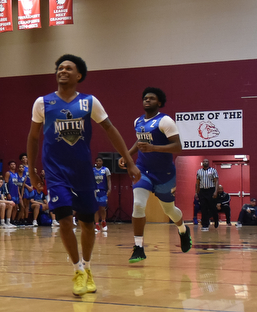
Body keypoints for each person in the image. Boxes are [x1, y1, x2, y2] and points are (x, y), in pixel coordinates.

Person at [26, 54, 140, 297]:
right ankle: (77, 269)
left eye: (68, 68)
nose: (62, 70)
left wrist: (129, 162)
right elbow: (34, 138)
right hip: (56, 173)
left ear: (79, 76)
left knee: (88, 223)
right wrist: (32, 172)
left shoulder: (89, 102)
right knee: (65, 220)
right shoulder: (42, 103)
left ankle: (88, 267)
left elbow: (111, 130)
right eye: (59, 67)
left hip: (83, 173)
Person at [120, 87, 191, 262]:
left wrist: (153, 148)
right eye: (145, 98)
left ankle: (183, 230)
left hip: (164, 174)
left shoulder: (165, 121)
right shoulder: (138, 121)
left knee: (169, 210)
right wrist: (128, 155)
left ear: (159, 102)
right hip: (142, 170)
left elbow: (178, 147)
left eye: (151, 98)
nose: (147, 100)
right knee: (138, 204)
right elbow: (140, 140)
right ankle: (138, 247)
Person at [196, 158, 218, 231]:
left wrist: (215, 191)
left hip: (211, 190)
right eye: (204, 161)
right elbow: (197, 183)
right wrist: (196, 192)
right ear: (202, 163)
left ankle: (216, 220)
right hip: (202, 191)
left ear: (208, 163)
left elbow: (216, 181)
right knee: (203, 208)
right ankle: (205, 224)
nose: (205, 162)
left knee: (212, 207)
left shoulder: (213, 171)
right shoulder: (199, 171)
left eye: (207, 161)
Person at [92, 156, 111, 232]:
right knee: (95, 209)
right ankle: (96, 224)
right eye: (97, 161)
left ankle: (103, 221)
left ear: (102, 162)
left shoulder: (105, 170)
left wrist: (109, 189)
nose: (99, 162)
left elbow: (109, 180)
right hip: (94, 191)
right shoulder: (92, 170)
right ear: (95, 162)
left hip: (103, 191)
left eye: (100, 161)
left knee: (103, 208)